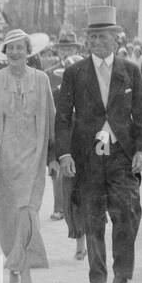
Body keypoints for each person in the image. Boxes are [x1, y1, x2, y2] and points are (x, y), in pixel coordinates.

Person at [55, 6, 142, 283]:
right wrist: (65, 154)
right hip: (88, 156)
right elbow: (62, 117)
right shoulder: (74, 73)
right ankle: (97, 276)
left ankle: (123, 278)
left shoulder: (131, 71)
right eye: (92, 36)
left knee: (127, 215)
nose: (96, 42)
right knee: (93, 217)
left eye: (102, 36)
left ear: (116, 38)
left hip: (121, 156)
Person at [0, 29, 55, 283]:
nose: (15, 52)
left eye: (20, 47)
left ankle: (26, 269)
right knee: (7, 216)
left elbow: (51, 120)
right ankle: (15, 262)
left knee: (27, 211)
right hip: (4, 157)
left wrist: (53, 156)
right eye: (10, 48)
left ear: (28, 50)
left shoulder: (42, 80)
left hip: (33, 155)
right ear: (4, 52)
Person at [46, 33, 86, 257]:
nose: (66, 52)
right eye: (62, 49)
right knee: (65, 187)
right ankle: (60, 209)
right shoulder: (49, 76)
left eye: (70, 48)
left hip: (89, 145)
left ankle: (84, 241)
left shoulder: (90, 73)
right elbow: (51, 119)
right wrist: (51, 153)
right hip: (63, 142)